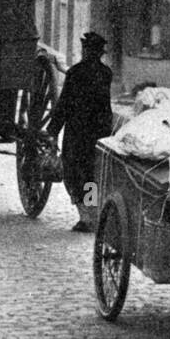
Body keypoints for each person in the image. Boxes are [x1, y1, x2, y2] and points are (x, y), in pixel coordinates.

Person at [45, 31, 113, 232]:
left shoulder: (75, 72)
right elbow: (105, 105)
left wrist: (53, 130)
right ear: (100, 53)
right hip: (98, 131)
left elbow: (64, 103)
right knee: (91, 174)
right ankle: (91, 214)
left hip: (77, 131)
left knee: (74, 173)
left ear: (85, 50)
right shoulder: (106, 73)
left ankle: (85, 216)